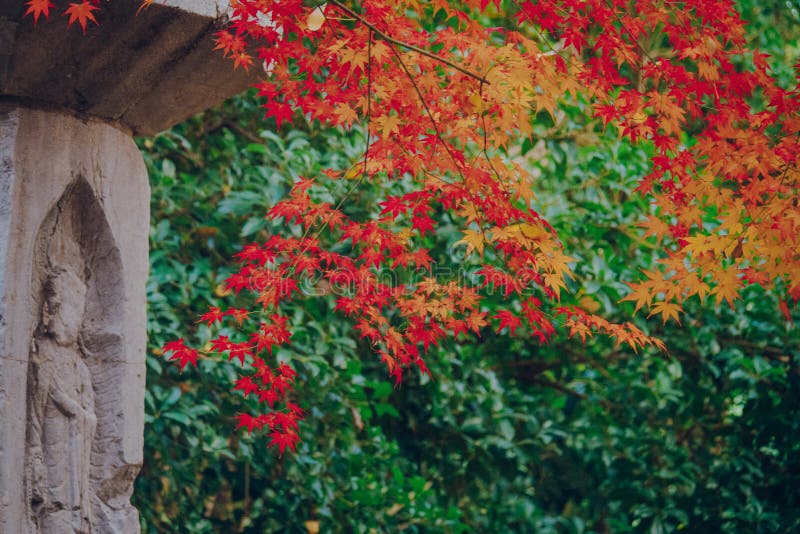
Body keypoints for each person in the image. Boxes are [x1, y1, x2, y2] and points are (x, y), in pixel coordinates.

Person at [27, 267, 96, 533]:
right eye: (74, 310)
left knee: (72, 518)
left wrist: (72, 408)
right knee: (53, 517)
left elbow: (91, 416)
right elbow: (33, 416)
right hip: (52, 454)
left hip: (74, 459)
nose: (77, 318)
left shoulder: (79, 366)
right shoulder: (43, 355)